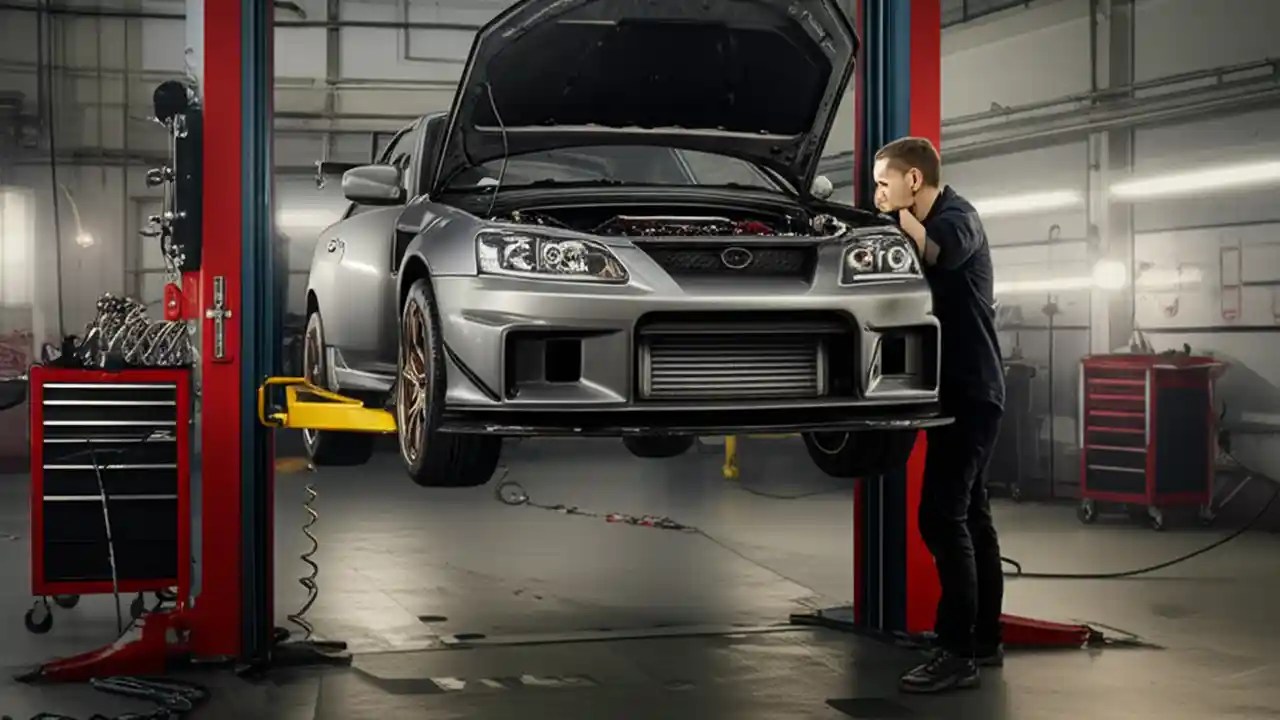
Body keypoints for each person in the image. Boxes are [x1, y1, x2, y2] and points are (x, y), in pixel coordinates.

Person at [871, 136, 1006, 694]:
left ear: (914, 181)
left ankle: (957, 654)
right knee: (971, 515)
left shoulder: (958, 218)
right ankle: (982, 639)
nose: (877, 194)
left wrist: (893, 219)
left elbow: (938, 252)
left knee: (941, 516)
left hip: (973, 393)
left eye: (883, 183)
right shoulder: (926, 218)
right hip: (957, 392)